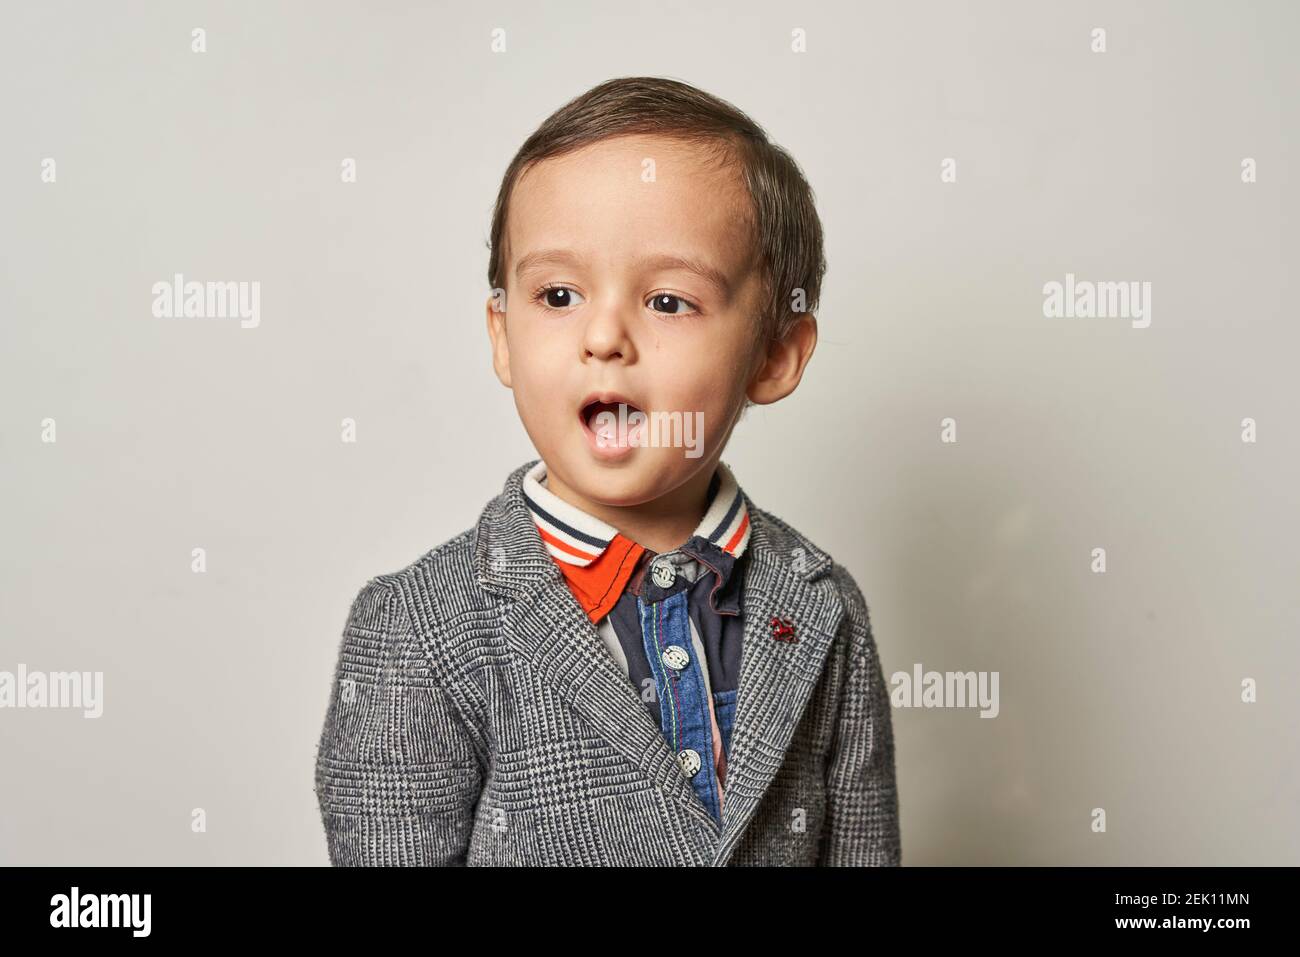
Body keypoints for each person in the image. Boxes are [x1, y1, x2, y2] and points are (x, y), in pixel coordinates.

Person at [314, 75, 900, 866]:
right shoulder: (418, 629)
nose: (603, 337)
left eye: (667, 302)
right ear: (502, 336)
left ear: (775, 354)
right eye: (559, 294)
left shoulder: (823, 607)